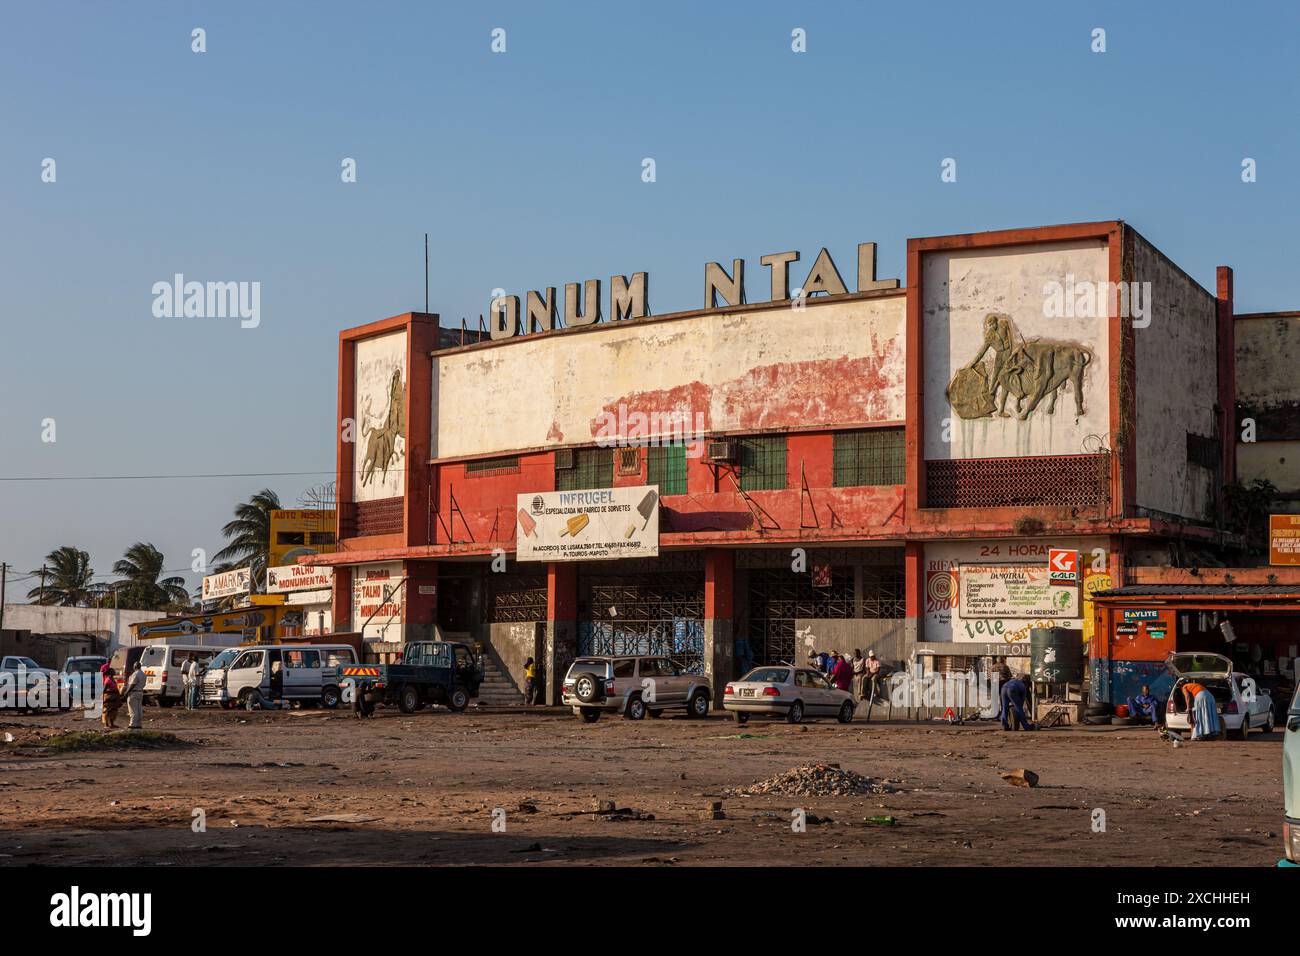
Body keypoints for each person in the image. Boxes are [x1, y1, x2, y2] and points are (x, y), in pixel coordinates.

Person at [123, 661, 145, 730]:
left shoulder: (135, 674)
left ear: (135, 666)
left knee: (132, 709)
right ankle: (138, 724)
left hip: (134, 693)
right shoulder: (143, 674)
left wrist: (127, 692)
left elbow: (133, 684)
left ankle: (132, 724)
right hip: (140, 692)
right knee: (139, 709)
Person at [100, 664, 122, 730]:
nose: (114, 672)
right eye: (113, 671)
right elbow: (104, 689)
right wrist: (103, 698)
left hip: (113, 698)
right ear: (110, 672)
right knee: (107, 711)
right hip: (108, 698)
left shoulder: (112, 679)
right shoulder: (108, 680)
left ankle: (112, 724)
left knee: (113, 711)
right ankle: (106, 724)